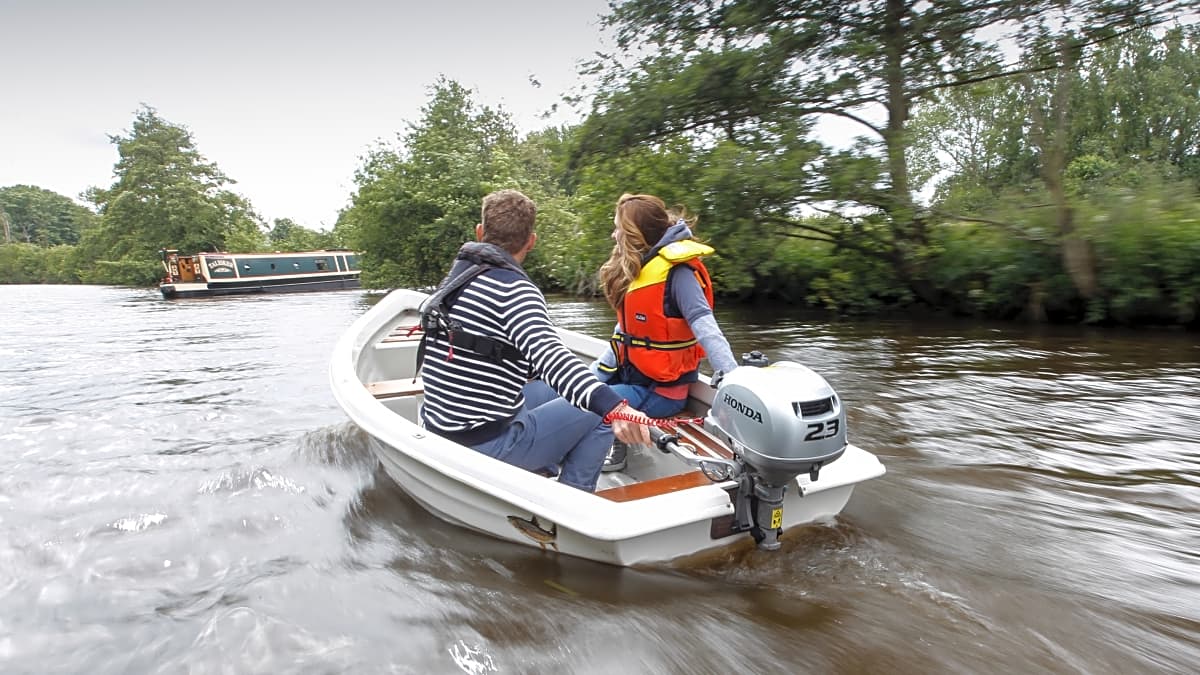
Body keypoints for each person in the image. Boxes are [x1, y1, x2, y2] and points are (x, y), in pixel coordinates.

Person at [418, 189, 652, 492]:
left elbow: (506, 351)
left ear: (480, 232)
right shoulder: (515, 291)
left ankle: (547, 459)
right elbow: (552, 357)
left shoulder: (459, 277)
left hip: (439, 425)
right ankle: (572, 502)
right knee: (600, 412)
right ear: (531, 241)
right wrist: (616, 408)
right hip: (484, 445)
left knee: (551, 391)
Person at [592, 193, 740, 471]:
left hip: (662, 394)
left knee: (594, 403)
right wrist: (586, 379)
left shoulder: (677, 275)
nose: (614, 236)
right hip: (636, 382)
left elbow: (707, 329)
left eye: (618, 229)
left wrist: (735, 380)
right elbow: (622, 337)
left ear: (635, 235)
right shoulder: (643, 270)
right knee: (586, 391)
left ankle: (615, 454)